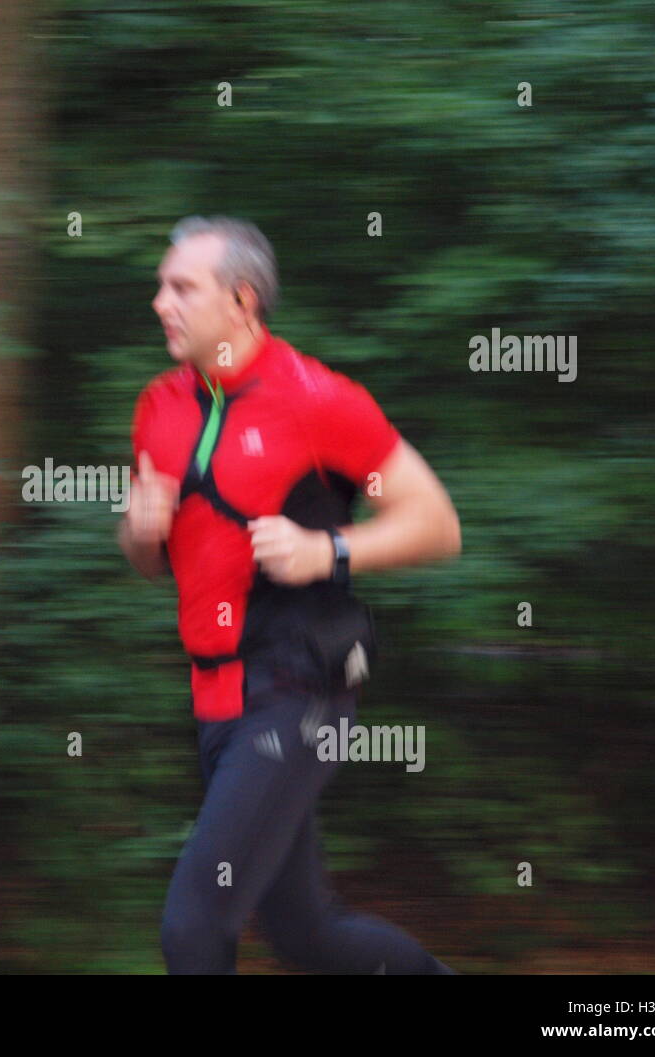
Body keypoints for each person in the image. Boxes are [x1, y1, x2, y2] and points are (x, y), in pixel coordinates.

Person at [120, 215, 462, 975]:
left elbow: (437, 523)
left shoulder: (318, 401)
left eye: (181, 287)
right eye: (159, 285)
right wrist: (141, 532)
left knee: (194, 924)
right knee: (308, 934)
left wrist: (326, 549)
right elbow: (150, 558)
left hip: (298, 692)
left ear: (241, 302)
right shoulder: (160, 406)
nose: (159, 302)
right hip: (213, 699)